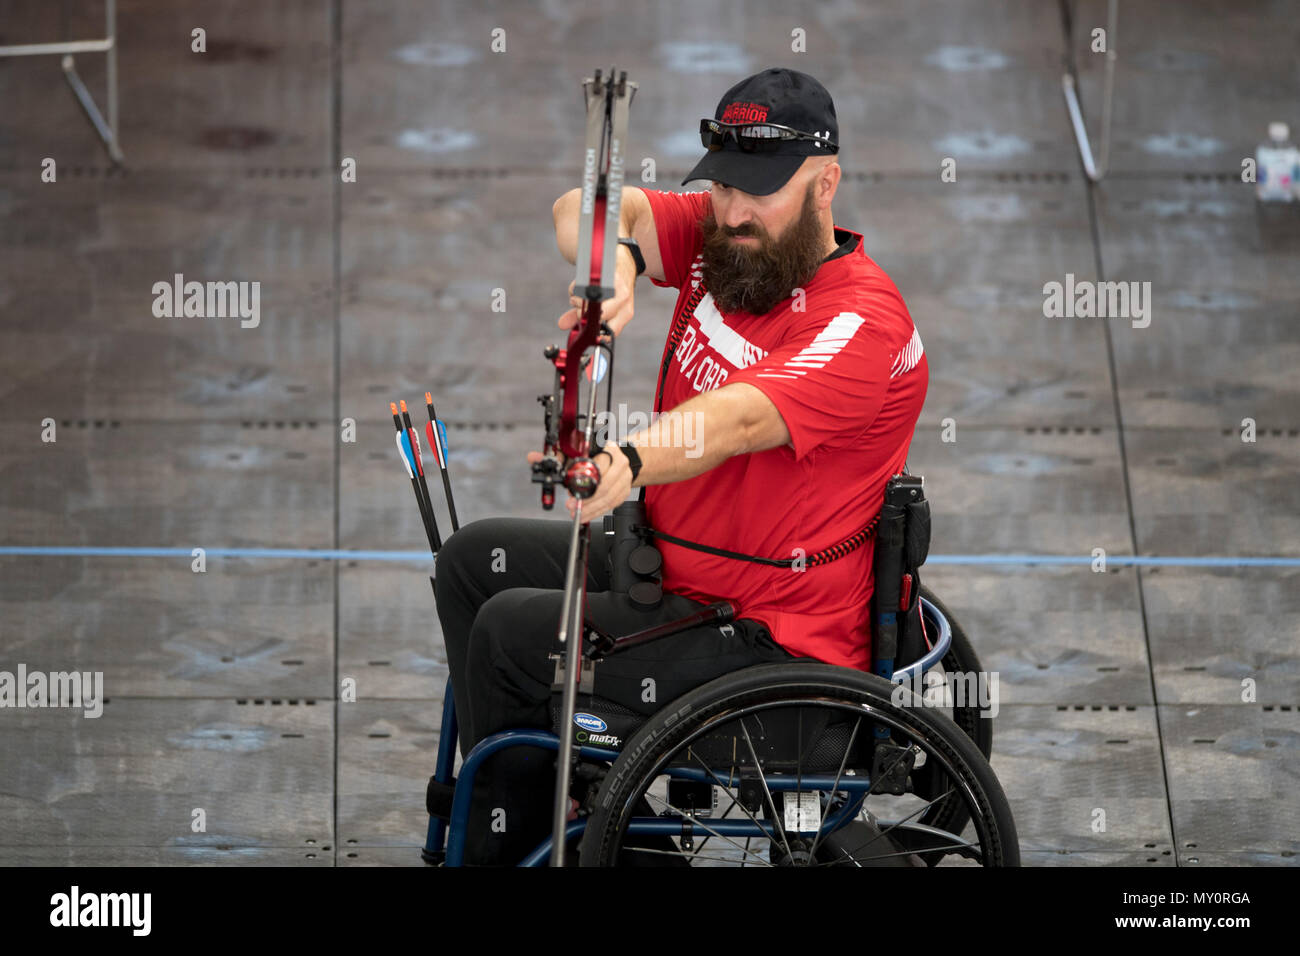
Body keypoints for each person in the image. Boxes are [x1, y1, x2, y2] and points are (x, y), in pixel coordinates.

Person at [433, 67, 928, 864]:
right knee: (469, 564)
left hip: (769, 643)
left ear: (826, 183)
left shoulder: (861, 323)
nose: (732, 210)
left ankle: (523, 835)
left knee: (510, 638)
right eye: (722, 184)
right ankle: (566, 810)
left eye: (761, 190)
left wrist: (629, 459)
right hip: (680, 575)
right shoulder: (730, 239)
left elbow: (737, 421)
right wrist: (619, 264)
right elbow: (582, 209)